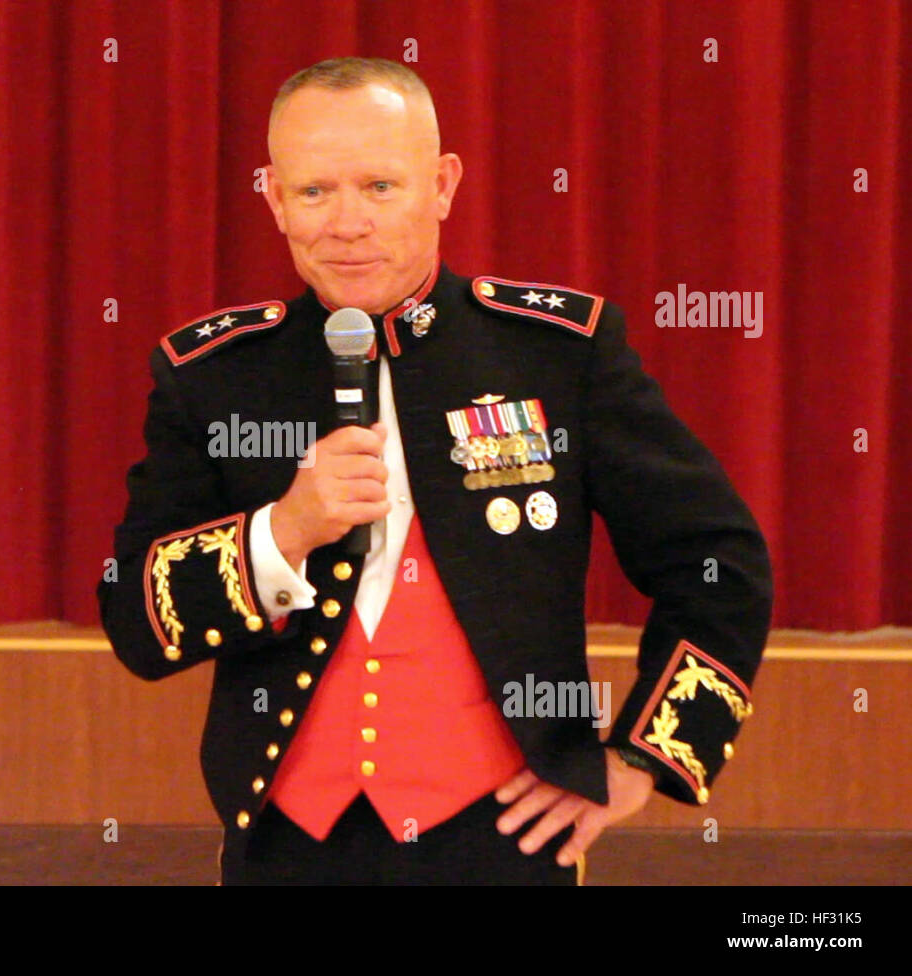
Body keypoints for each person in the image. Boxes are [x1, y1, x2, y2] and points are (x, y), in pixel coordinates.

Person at [97, 57, 772, 885]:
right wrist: (284, 532)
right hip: (286, 842)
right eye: (314, 192)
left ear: (443, 184)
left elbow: (719, 564)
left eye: (381, 187)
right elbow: (136, 617)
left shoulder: (554, 357)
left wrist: (646, 757)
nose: (347, 223)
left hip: (506, 837)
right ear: (273, 197)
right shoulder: (214, 376)